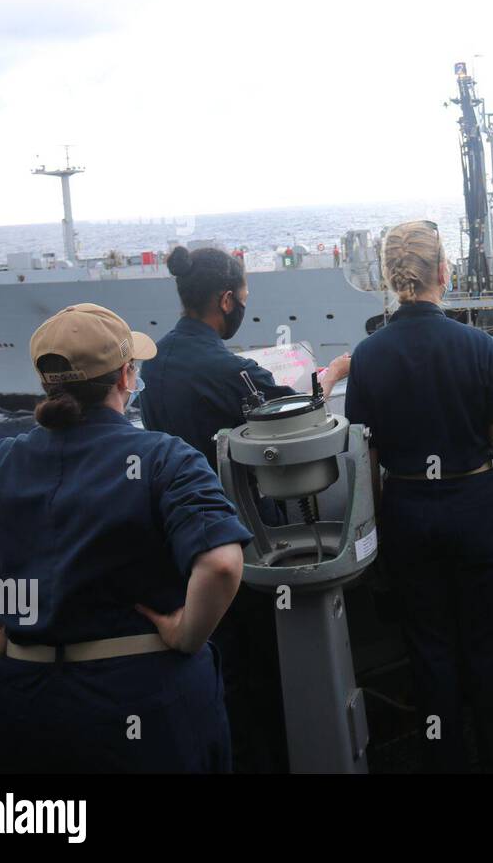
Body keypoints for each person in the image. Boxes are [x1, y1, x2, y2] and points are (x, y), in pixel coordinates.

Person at [0, 303, 248, 772]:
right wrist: (186, 634)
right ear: (125, 376)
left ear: (46, 383)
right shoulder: (165, 457)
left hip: (25, 707)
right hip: (147, 702)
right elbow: (221, 564)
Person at [140, 244, 349, 773]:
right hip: (240, 542)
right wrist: (336, 373)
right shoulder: (230, 370)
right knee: (261, 676)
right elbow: (302, 410)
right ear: (226, 299)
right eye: (244, 299)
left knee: (219, 677)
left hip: (177, 543)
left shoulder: (156, 362)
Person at [344, 220, 493, 773]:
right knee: (491, 645)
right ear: (444, 273)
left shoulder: (369, 356)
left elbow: (369, 455)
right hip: (475, 507)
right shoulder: (476, 346)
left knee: (429, 649)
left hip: (407, 514)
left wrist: (383, 520)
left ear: (389, 278)